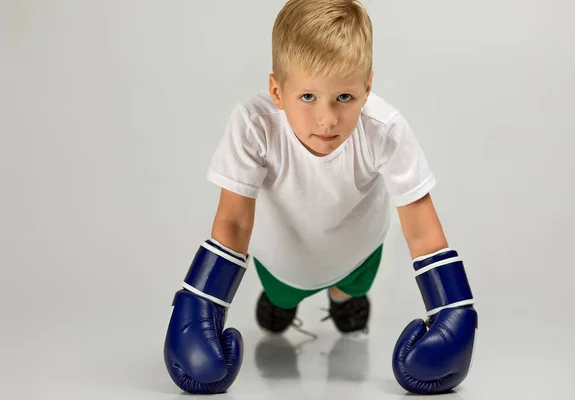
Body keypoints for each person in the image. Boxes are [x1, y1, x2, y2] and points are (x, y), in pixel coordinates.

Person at [163, 0, 478, 395]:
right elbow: (234, 221)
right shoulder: (254, 125)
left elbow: (421, 226)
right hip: (282, 257)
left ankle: (341, 297)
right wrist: (201, 303)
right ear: (277, 91)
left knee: (353, 295)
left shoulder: (384, 130)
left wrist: (453, 308)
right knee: (279, 300)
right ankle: (285, 301)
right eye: (308, 97)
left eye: (344, 97)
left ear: (366, 88)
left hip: (358, 251)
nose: (327, 119)